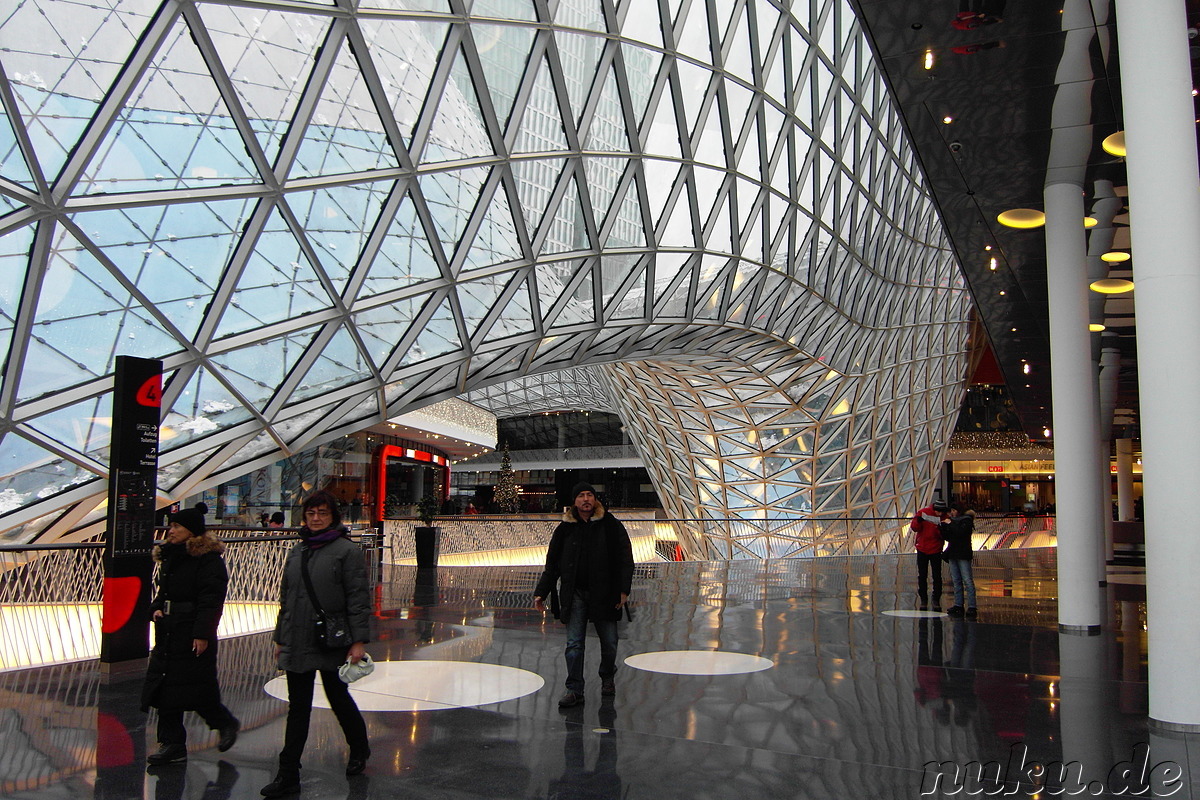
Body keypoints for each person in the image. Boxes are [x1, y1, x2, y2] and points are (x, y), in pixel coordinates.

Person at [262, 490, 372, 797]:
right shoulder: (297, 551)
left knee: (338, 698)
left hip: (331, 640)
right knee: (298, 707)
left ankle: (359, 747)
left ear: (333, 516)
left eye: (322, 513)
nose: (315, 518)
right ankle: (288, 774)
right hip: (298, 639)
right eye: (311, 513)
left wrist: (358, 641)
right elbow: (286, 599)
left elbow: (358, 598)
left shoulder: (346, 551)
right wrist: (280, 638)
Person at [144, 507, 239, 765]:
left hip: (190, 630)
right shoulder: (171, 556)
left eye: (176, 526)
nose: (170, 531)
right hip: (169, 631)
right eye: (170, 526)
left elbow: (211, 599)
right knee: (166, 689)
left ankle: (225, 722)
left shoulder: (208, 560)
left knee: (197, 687)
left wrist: (202, 633)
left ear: (191, 531)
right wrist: (155, 609)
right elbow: (164, 592)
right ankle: (172, 744)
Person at [533, 483, 634, 709]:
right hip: (575, 593)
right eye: (581, 496)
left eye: (590, 495)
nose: (586, 499)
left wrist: (623, 590)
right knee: (574, 644)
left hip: (605, 592)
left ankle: (607, 676)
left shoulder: (611, 526)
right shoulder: (564, 529)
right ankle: (574, 689)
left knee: (610, 642)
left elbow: (625, 560)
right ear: (574, 501)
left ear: (595, 500)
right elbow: (552, 565)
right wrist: (541, 592)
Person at [911, 499, 948, 609]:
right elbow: (914, 528)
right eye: (938, 512)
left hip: (935, 548)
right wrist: (918, 520)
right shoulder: (923, 513)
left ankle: (936, 598)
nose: (940, 514)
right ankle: (924, 599)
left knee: (937, 575)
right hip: (923, 548)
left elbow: (945, 534)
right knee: (922, 575)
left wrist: (942, 528)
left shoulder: (945, 517)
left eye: (941, 512)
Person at [942, 507, 978, 617]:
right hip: (954, 553)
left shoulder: (966, 521)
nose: (951, 513)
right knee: (956, 580)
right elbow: (949, 536)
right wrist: (944, 528)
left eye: (954, 510)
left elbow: (960, 533)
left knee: (967, 580)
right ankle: (958, 605)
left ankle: (971, 606)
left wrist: (950, 524)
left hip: (962, 553)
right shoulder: (955, 522)